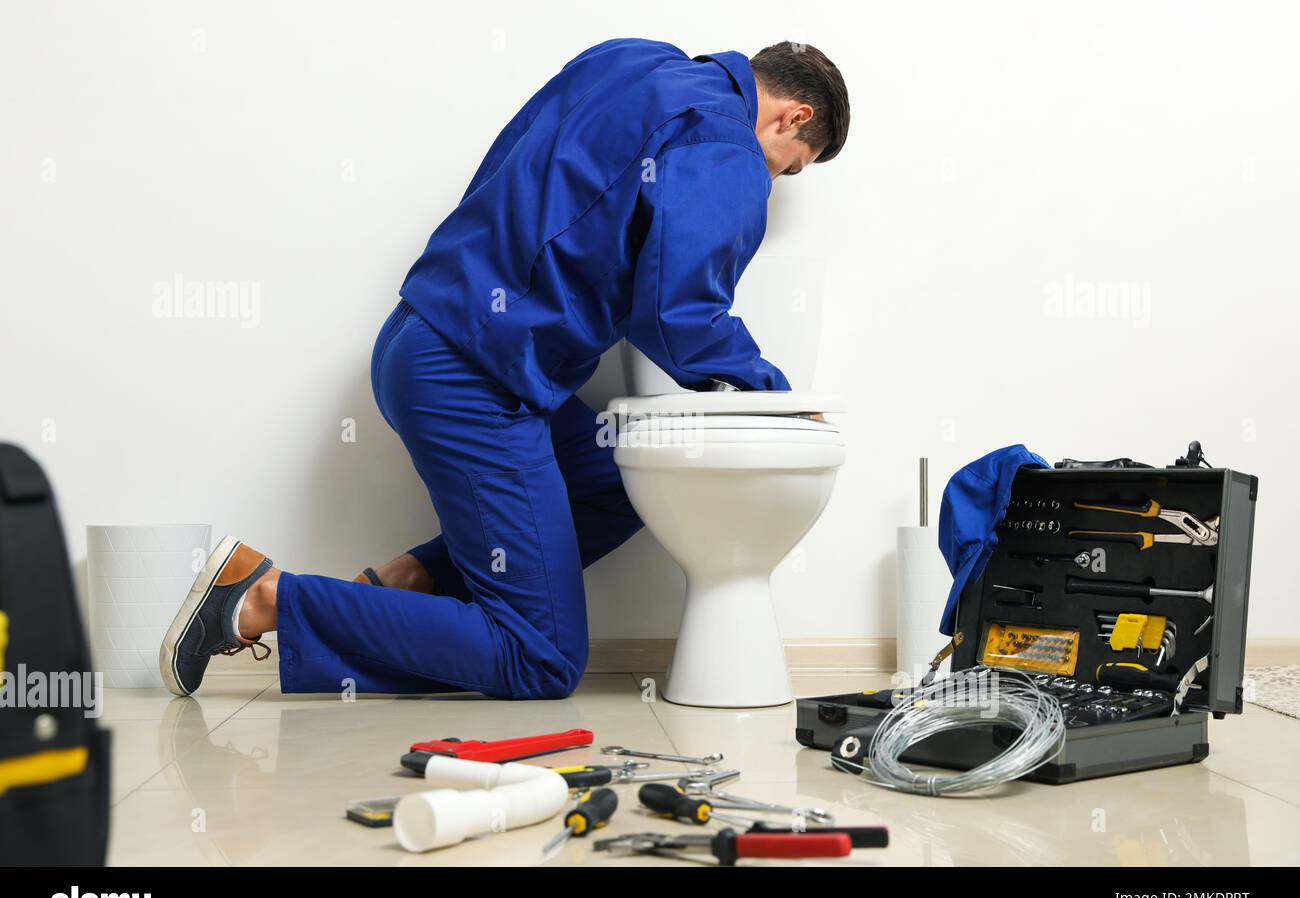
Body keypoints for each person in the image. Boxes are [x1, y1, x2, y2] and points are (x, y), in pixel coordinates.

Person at [160, 39, 850, 700]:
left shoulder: (629, 60)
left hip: (427, 338)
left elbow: (511, 166)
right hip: (474, 378)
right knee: (540, 656)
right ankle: (264, 595)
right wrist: (775, 397)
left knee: (618, 476)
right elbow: (678, 311)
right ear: (796, 116)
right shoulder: (725, 142)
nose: (774, 177)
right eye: (788, 165)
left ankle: (415, 580)